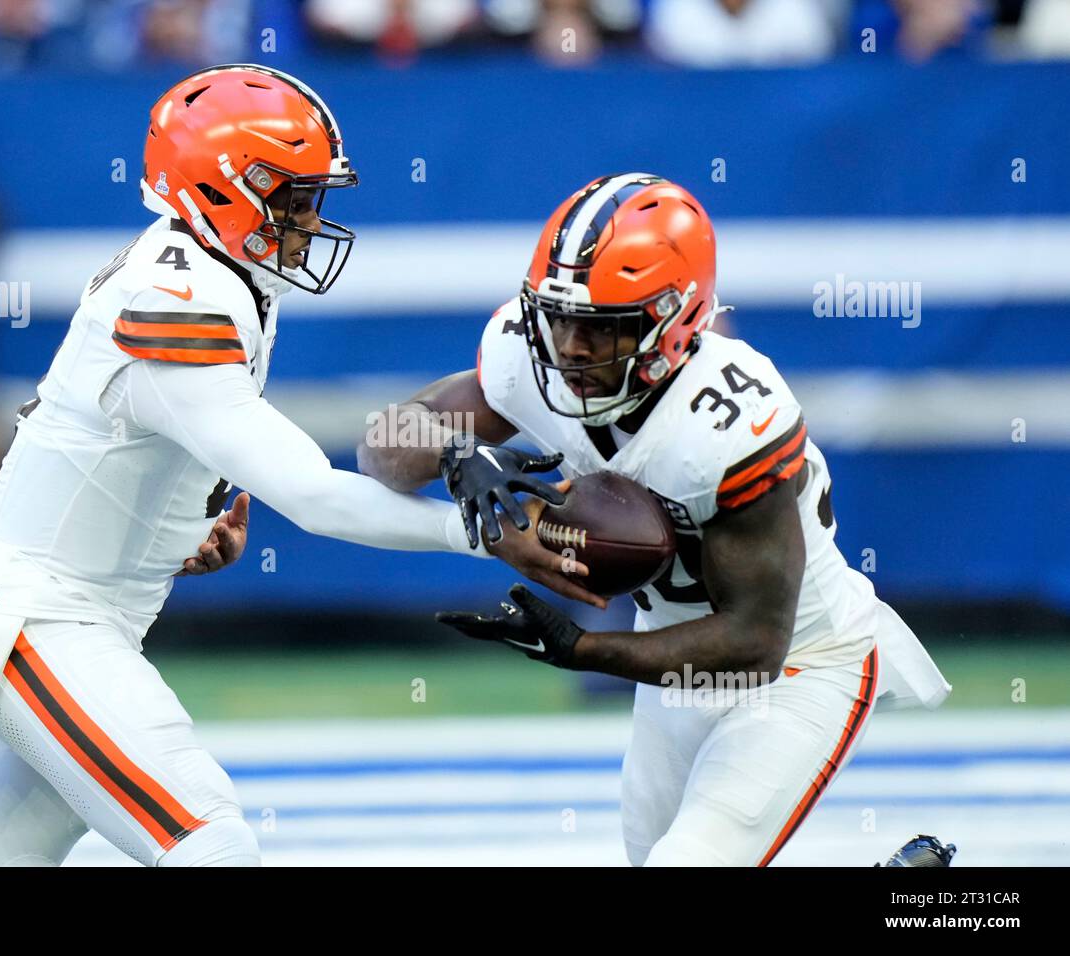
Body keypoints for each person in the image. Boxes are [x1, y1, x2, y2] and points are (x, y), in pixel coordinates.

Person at [0, 65, 571, 867]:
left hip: (63, 618)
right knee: (210, 840)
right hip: (42, 623)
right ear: (219, 188)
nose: (312, 221)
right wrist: (482, 533)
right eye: (294, 197)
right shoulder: (177, 294)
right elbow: (314, 496)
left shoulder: (215, 273)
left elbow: (109, 448)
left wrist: (174, 531)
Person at [357, 173, 953, 866]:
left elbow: (755, 640)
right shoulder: (532, 356)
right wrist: (459, 454)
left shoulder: (730, 422)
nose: (571, 347)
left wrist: (583, 652)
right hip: (672, 651)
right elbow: (384, 444)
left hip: (802, 663)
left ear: (675, 320)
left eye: (600, 327)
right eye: (560, 316)